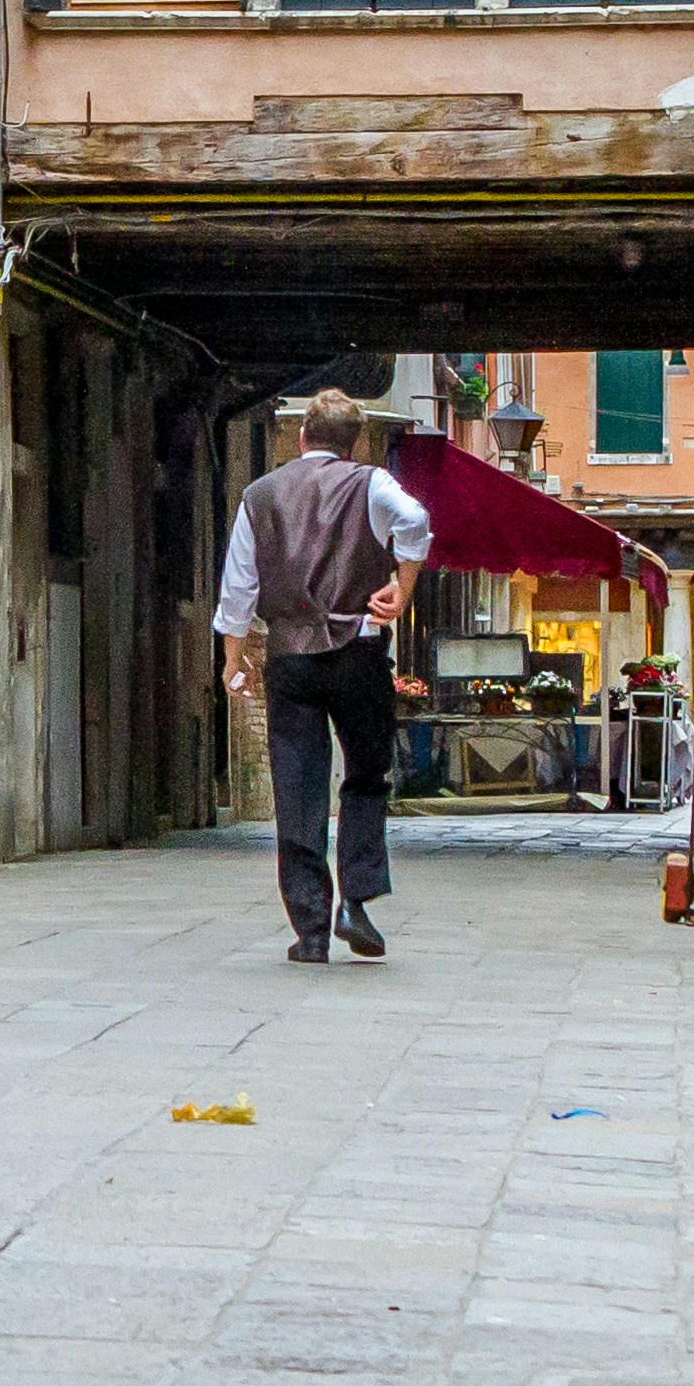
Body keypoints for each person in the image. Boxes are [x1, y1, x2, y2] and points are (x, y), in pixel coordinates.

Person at [215, 390, 436, 963]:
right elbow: (416, 521)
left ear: (301, 438)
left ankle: (310, 929)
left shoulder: (258, 496)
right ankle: (355, 902)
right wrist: (401, 589)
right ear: (355, 443)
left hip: (289, 656)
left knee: (297, 785)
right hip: (357, 651)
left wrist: (233, 658)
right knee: (366, 774)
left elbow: (239, 585)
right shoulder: (370, 483)